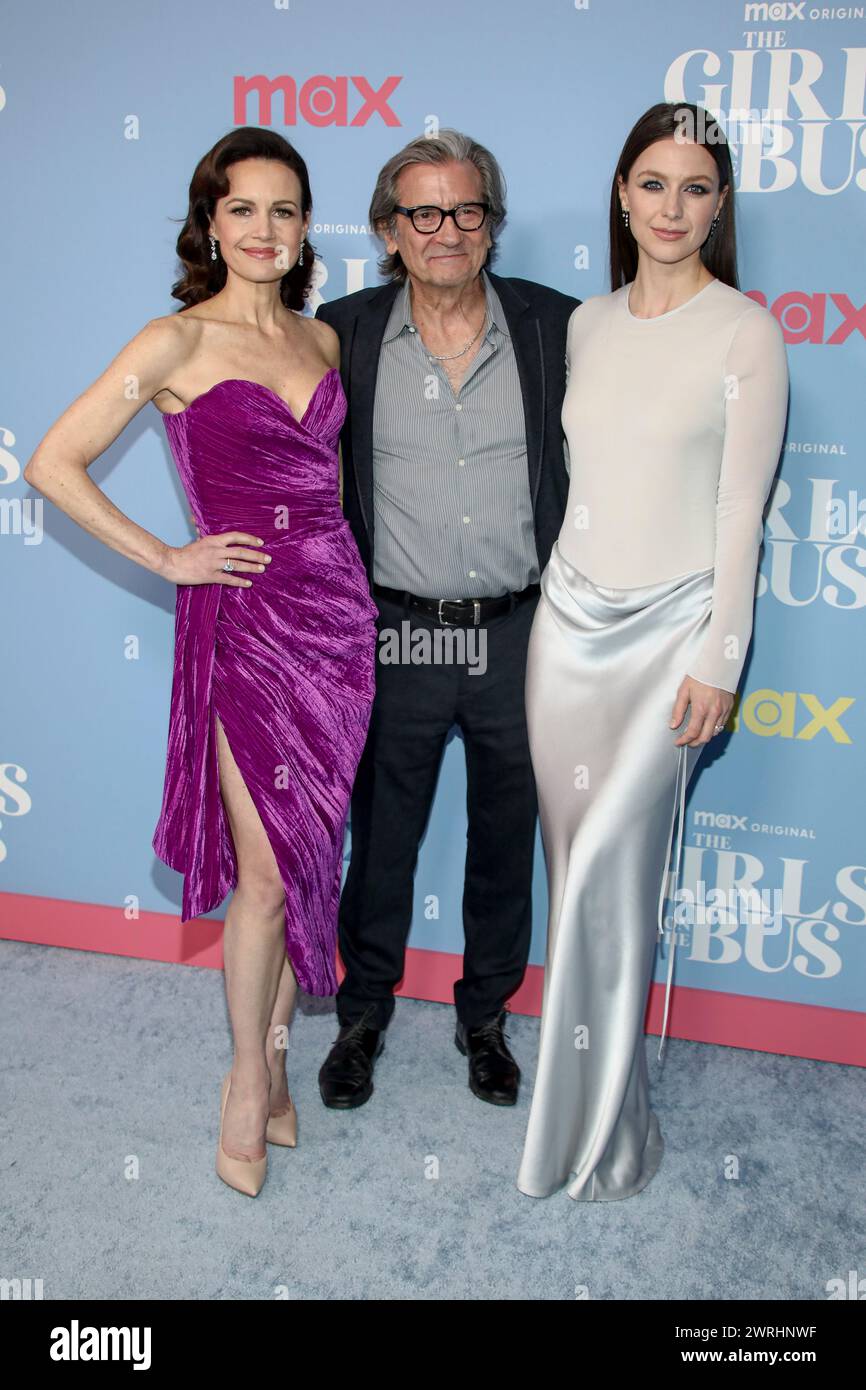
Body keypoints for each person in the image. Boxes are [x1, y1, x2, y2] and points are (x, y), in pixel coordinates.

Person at [23, 127, 378, 1197]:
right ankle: (243, 1078)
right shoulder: (173, 342)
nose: (264, 230)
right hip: (246, 621)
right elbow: (51, 461)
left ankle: (273, 1070)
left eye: (284, 210)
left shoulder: (322, 346)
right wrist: (168, 556)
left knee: (308, 858)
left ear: (304, 226)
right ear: (210, 223)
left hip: (338, 625)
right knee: (264, 869)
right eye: (243, 210)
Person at [516, 103, 789, 1201]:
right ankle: (601, 1115)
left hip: (671, 634)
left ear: (717, 207)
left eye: (694, 188)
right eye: (651, 183)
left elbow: (739, 513)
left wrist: (719, 656)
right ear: (621, 196)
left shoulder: (744, 331)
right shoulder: (585, 324)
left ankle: (595, 1143)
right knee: (567, 873)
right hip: (566, 630)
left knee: (610, 885)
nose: (670, 207)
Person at [314, 129, 579, 1109]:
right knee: (381, 835)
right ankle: (362, 1014)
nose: (444, 230)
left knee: (505, 832)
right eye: (421, 212)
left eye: (465, 210)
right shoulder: (335, 336)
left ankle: (483, 1018)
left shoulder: (556, 327)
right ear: (388, 230)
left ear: (491, 223)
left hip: (519, 628)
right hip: (397, 632)